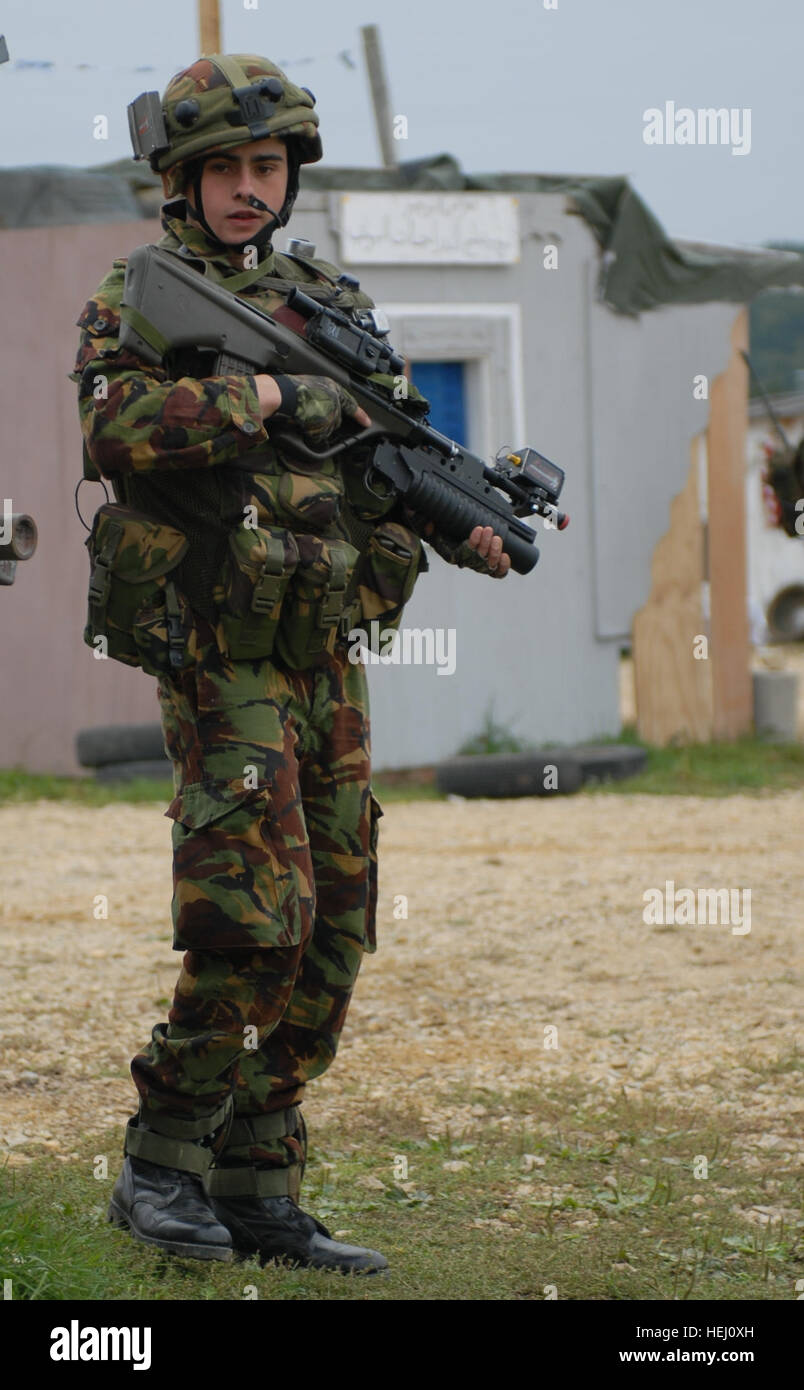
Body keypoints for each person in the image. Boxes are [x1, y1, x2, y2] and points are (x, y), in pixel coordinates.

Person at [72, 52, 509, 1274]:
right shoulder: (145, 291)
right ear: (182, 177)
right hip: (221, 651)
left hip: (325, 649)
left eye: (269, 168)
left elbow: (383, 454)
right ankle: (160, 1165)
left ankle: (260, 1180)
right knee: (253, 915)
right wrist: (259, 397)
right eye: (227, 169)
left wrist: (461, 525)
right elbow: (114, 429)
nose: (251, 189)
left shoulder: (329, 298)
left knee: (339, 927)